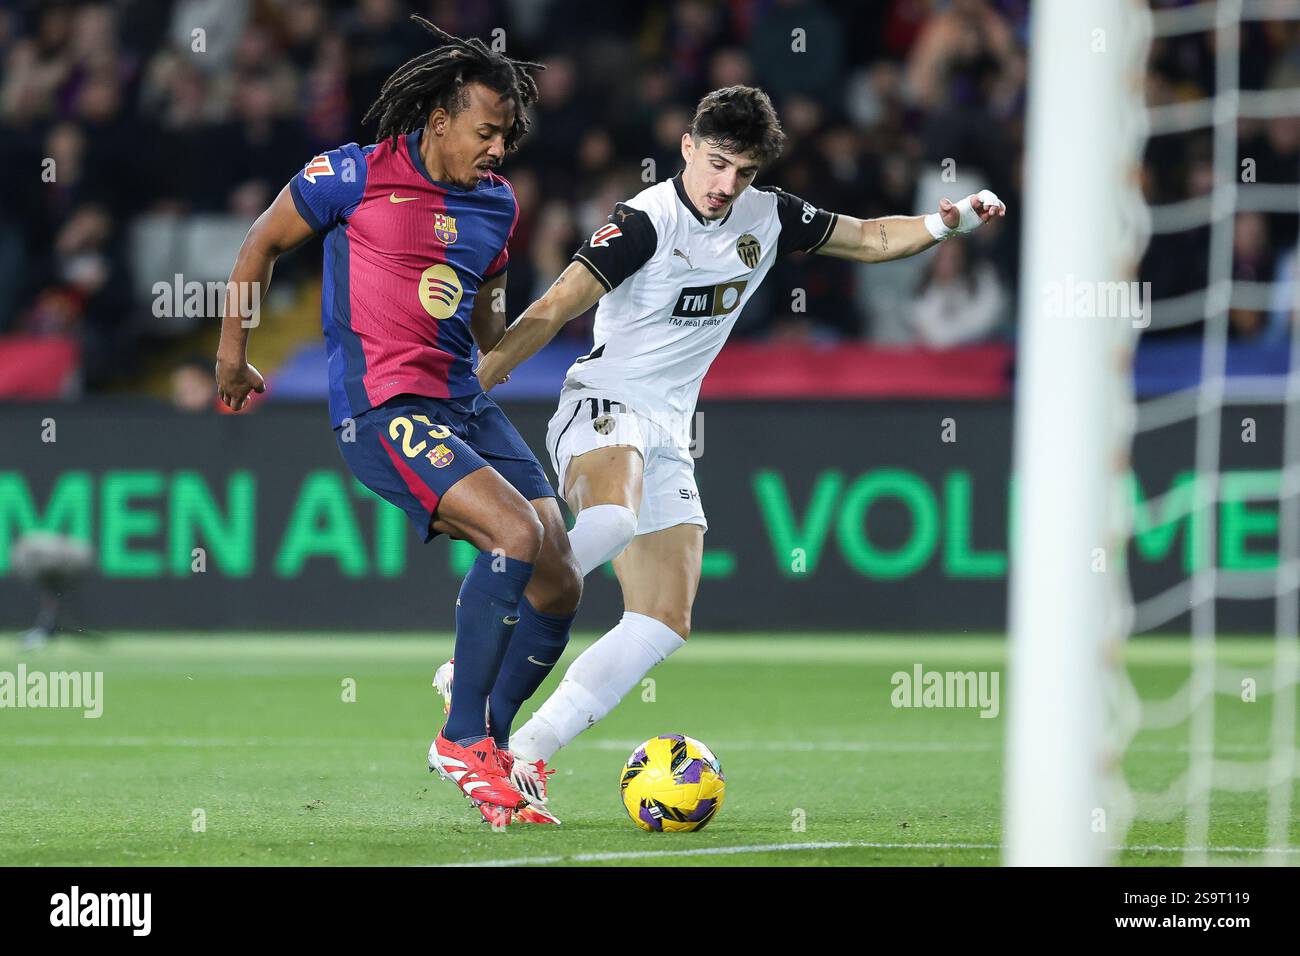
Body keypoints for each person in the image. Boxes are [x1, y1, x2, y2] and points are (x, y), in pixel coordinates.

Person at [444, 85, 1006, 819]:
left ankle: (526, 755)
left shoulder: (768, 215)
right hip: (602, 403)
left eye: (740, 171)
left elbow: (870, 239)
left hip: (671, 430)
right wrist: (472, 389)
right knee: (612, 521)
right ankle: (472, 658)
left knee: (663, 620)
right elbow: (553, 307)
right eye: (714, 164)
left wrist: (951, 218)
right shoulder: (645, 221)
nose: (724, 185)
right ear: (686, 147)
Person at [214, 18, 581, 827]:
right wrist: (231, 355)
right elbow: (258, 245)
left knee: (561, 577)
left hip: (463, 401)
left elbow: (489, 315)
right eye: (487, 131)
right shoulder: (351, 174)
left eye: (508, 136)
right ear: (440, 118)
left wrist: (530, 327)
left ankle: (494, 743)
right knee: (515, 536)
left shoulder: (497, 204)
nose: (498, 149)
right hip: (385, 407)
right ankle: (460, 739)